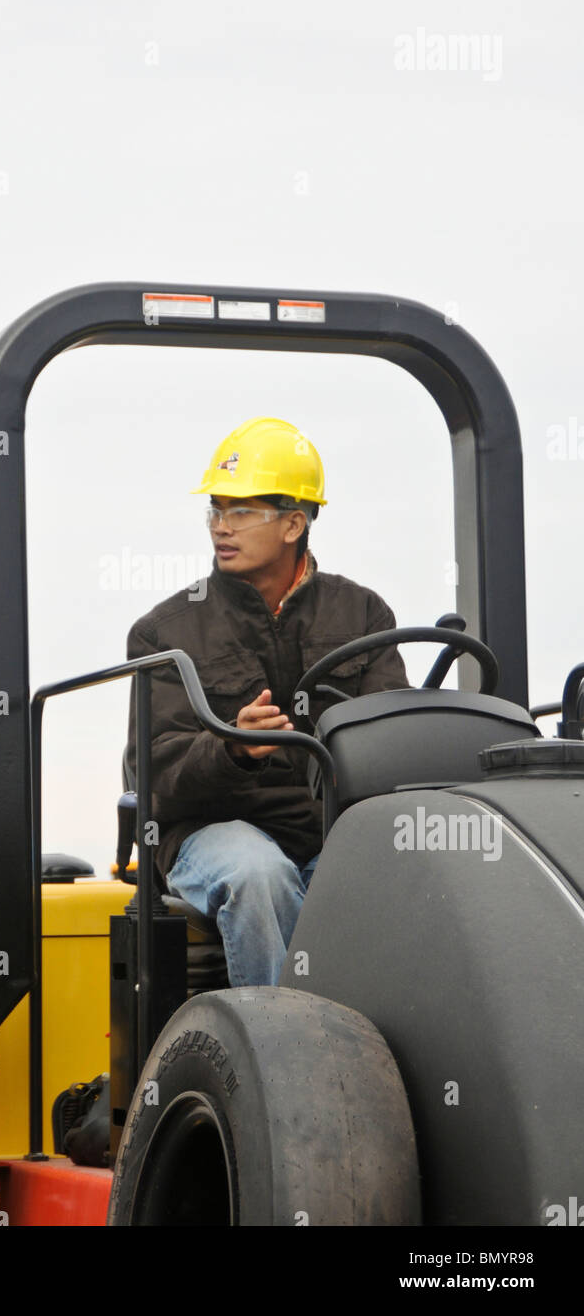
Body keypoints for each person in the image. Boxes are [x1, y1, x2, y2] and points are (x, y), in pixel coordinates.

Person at [125, 416, 408, 987]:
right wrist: (231, 746)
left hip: (328, 833)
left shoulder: (363, 615)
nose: (220, 528)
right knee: (259, 872)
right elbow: (152, 770)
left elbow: (391, 742)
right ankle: (281, 1054)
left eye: (241, 511)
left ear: (293, 524)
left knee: (396, 870)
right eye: (216, 510)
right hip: (211, 832)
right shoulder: (164, 632)